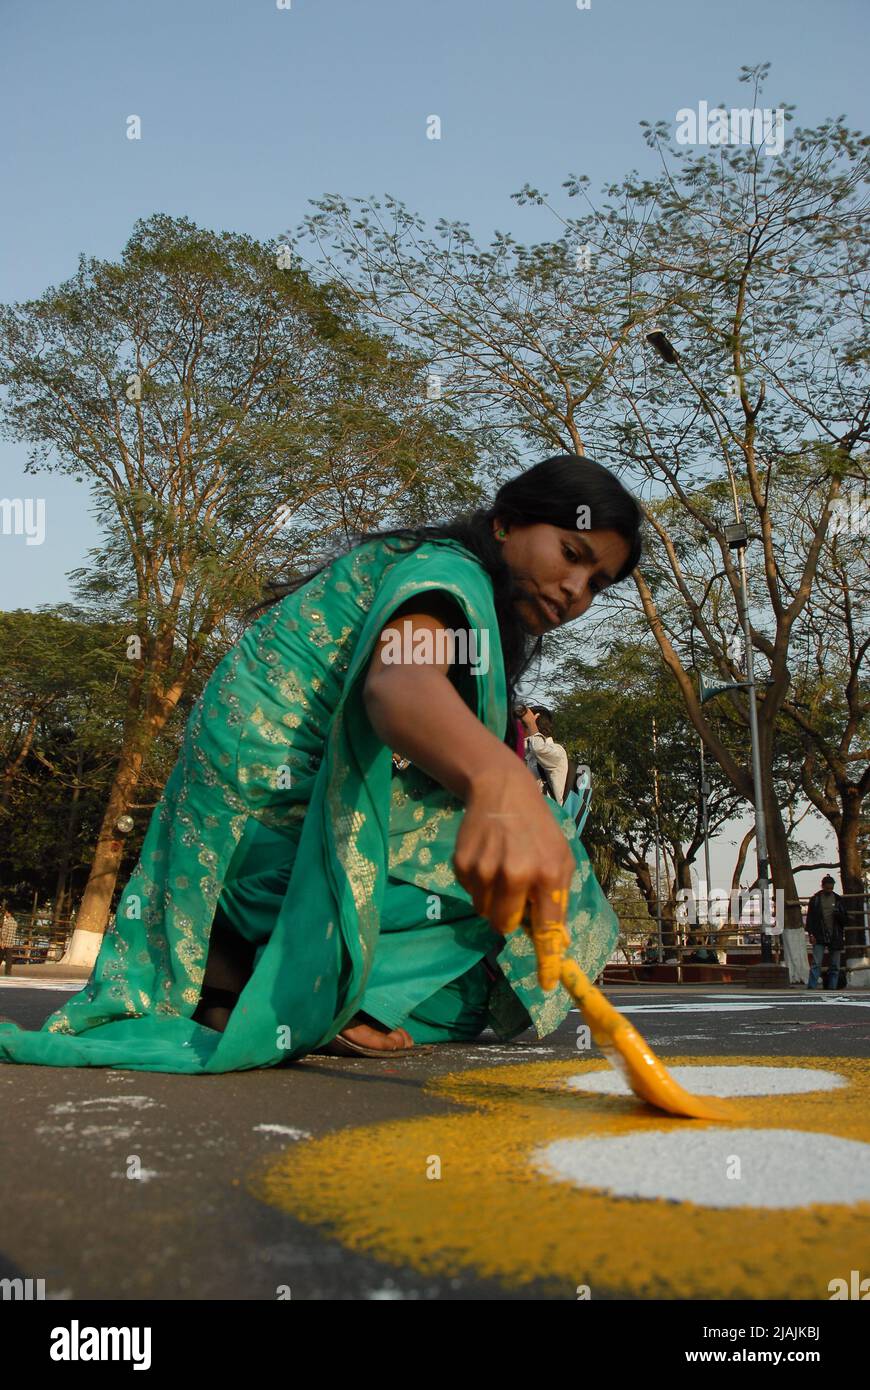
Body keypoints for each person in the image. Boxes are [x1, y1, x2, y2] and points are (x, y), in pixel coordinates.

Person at [0, 453, 643, 1074]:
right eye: (572, 554)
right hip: (268, 828)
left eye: (596, 584)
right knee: (554, 856)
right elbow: (399, 685)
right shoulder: (449, 579)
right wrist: (504, 788)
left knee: (473, 991)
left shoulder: (442, 585)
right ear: (506, 522)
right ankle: (292, 985)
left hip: (231, 848)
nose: (574, 592)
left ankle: (247, 975)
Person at [806, 874, 848, 991]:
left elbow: (845, 919)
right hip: (819, 934)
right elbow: (810, 918)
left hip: (835, 935)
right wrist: (811, 933)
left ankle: (832, 987)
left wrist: (838, 915)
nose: (830, 890)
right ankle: (812, 986)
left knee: (835, 964)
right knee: (816, 963)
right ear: (823, 886)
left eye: (831, 888)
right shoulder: (815, 900)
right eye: (828, 887)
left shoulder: (838, 900)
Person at [520, 705, 570, 803]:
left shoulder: (557, 751)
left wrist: (531, 724)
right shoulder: (528, 755)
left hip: (549, 815)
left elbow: (539, 749)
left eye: (522, 726)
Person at [0, 910, 17, 976]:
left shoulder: (6, 922)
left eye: (6, 913)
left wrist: (2, 942)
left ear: (9, 914)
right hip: (10, 944)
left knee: (0, 957)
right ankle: (8, 973)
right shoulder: (15, 923)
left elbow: (4, 934)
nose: (5, 914)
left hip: (4, 944)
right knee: (9, 959)